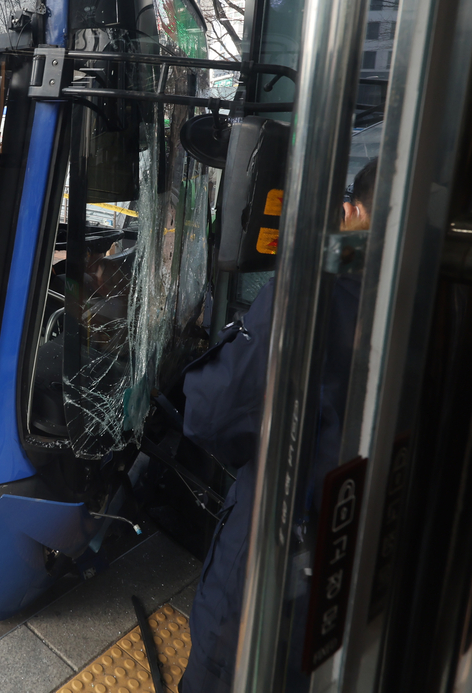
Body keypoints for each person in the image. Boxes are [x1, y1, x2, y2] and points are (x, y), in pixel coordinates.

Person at [178, 157, 377, 693]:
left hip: (280, 565)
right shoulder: (450, 300)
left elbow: (211, 412)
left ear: (353, 212)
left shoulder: (321, 293)